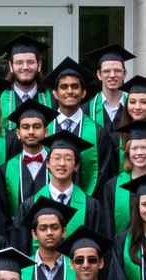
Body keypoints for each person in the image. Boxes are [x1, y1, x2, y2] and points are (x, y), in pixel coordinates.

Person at [0, 99, 60, 231]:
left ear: (46, 131)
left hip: (52, 234)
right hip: (17, 237)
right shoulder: (5, 170)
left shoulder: (59, 164)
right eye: (25, 127)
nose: (31, 132)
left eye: (36, 127)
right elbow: (0, 214)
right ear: (18, 133)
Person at [43, 59, 102, 191]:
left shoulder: (98, 133)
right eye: (64, 87)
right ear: (55, 93)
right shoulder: (44, 129)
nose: (70, 91)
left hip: (87, 207)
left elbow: (103, 175)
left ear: (83, 93)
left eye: (75, 86)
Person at [0, 36, 55, 131]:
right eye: (19, 62)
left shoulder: (53, 99)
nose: (25, 67)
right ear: (11, 66)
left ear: (39, 65)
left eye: (30, 62)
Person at [86, 45, 135, 131]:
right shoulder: (86, 110)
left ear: (124, 74)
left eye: (117, 71)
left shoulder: (135, 107)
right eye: (106, 71)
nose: (112, 75)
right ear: (99, 75)